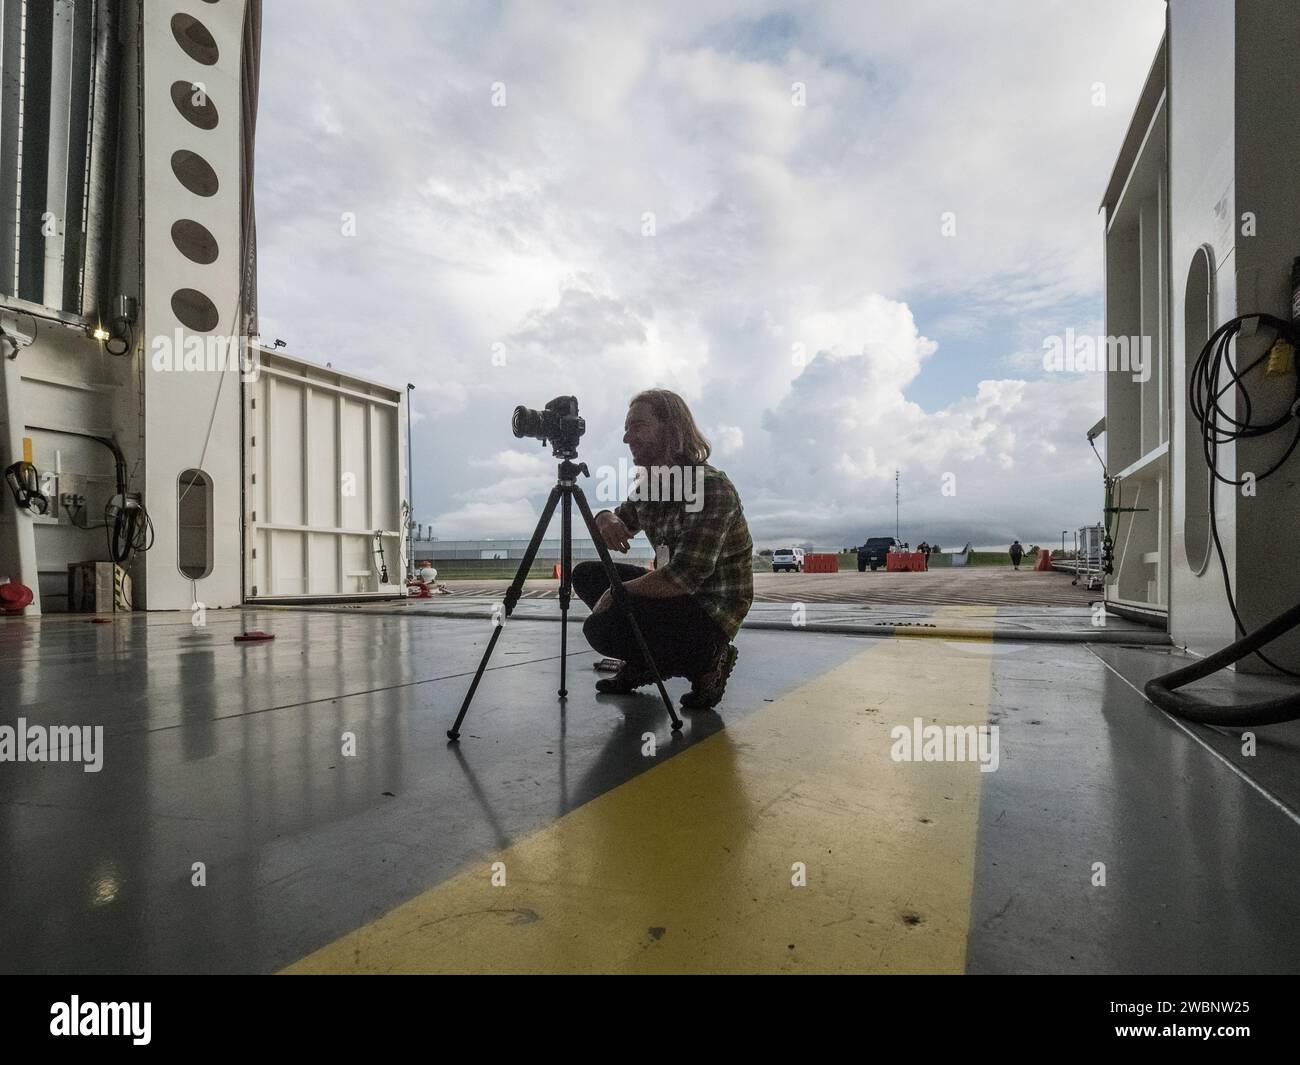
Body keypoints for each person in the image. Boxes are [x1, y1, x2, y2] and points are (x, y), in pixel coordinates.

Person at [577, 389, 754, 710]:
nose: (627, 438)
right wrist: (604, 517)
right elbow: (621, 521)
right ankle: (646, 661)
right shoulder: (649, 487)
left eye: (639, 426)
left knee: (600, 628)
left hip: (709, 609)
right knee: (587, 575)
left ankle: (709, 657)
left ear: (672, 429)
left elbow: (683, 578)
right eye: (627, 428)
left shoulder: (710, 487)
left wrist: (619, 592)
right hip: (677, 596)